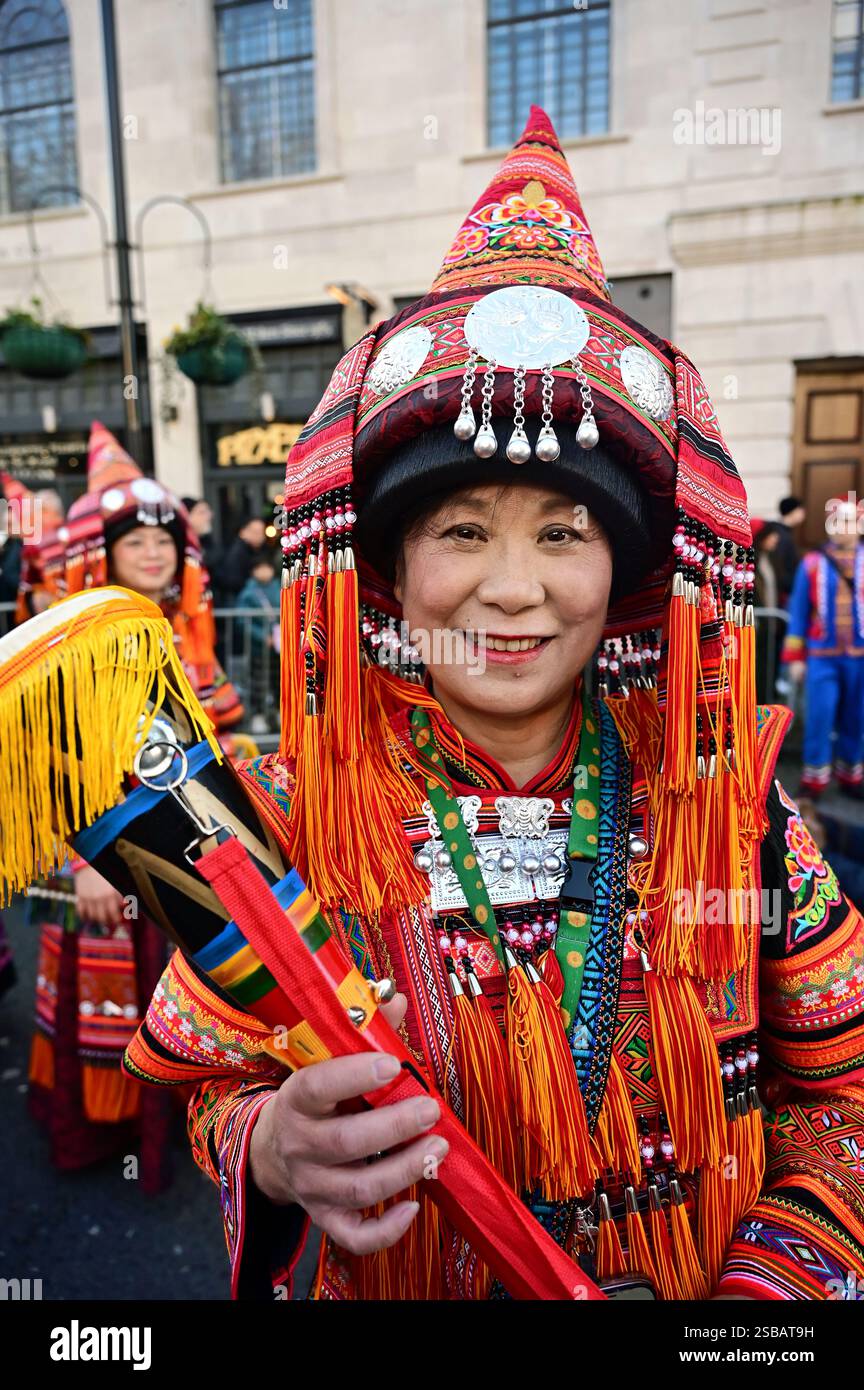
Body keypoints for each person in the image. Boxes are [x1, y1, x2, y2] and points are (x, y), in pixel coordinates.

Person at [120, 108, 864, 1301]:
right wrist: (270, 1146)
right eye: (463, 530)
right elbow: (211, 1081)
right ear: (390, 568)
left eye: (562, 534)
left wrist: (761, 1306)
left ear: (621, 572)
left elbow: (841, 1096)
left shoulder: (730, 806)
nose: (513, 589)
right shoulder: (285, 814)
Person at [28, 422, 243, 1190]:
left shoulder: (182, 632)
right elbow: (52, 765)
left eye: (164, 540)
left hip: (194, 850)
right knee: (113, 994)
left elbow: (222, 728)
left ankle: (190, 1116)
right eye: (136, 542)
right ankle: (111, 1127)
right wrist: (79, 868)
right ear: (103, 554)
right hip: (109, 859)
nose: (154, 553)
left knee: (192, 986)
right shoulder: (76, 643)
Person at [782, 496, 864, 799]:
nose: (844, 528)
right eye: (838, 522)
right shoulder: (812, 563)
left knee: (857, 718)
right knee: (820, 716)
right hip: (821, 657)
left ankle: (851, 775)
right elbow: (798, 613)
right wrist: (795, 657)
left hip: (860, 657)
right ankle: (814, 779)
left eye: (849, 522)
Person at [236, 555, 281, 730]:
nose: (264, 572)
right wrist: (262, 637)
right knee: (258, 683)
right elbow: (243, 621)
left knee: (279, 681)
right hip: (257, 648)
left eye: (267, 567)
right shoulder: (249, 593)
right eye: (260, 568)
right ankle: (258, 716)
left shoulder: (280, 587)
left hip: (279, 646)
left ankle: (279, 713)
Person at [220, 516, 268, 602]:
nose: (259, 536)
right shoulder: (237, 552)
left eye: (261, 532)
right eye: (255, 532)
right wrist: (255, 576)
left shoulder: (259, 551)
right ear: (243, 532)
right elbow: (232, 581)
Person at [774, 495, 805, 605]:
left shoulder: (784, 533)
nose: (803, 514)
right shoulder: (781, 535)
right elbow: (780, 564)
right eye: (801, 510)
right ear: (794, 511)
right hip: (785, 591)